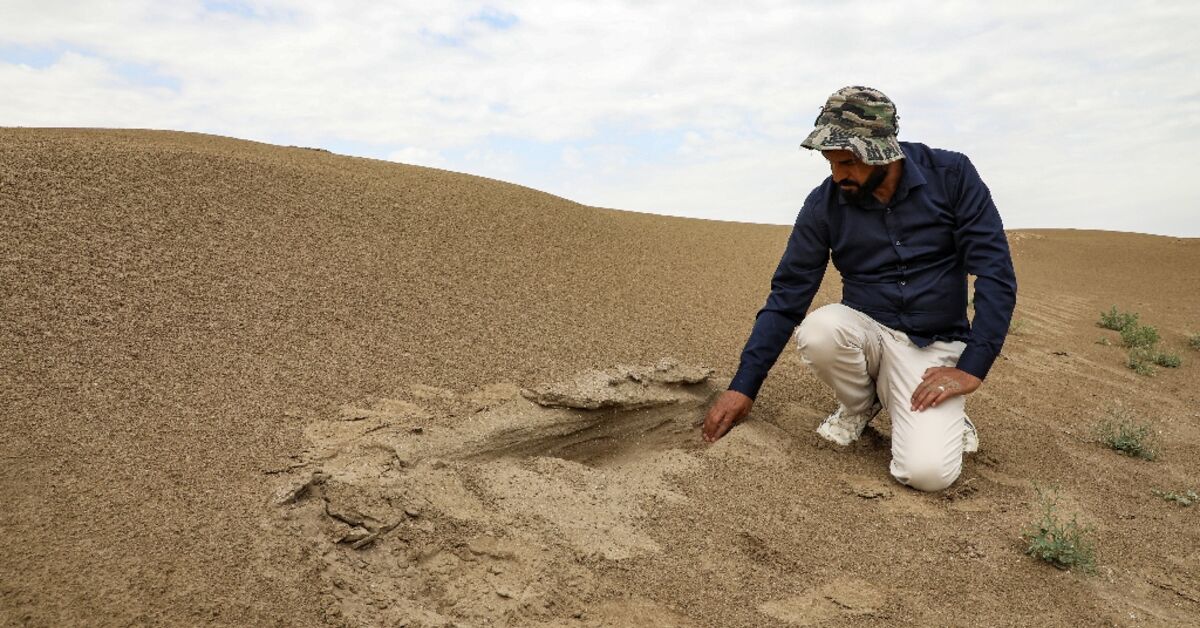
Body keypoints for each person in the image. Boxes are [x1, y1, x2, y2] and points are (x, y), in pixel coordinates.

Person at [701, 86, 1017, 492]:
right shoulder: (824, 205)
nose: (838, 175)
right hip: (866, 333)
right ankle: (860, 404)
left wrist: (971, 368)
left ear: (884, 150)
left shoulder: (952, 177)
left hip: (934, 344)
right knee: (819, 331)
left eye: (848, 161)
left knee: (927, 475)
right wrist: (742, 387)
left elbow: (995, 275)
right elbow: (788, 295)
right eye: (830, 161)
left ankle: (942, 408)